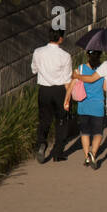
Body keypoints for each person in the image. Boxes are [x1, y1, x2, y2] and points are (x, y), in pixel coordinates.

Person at [31, 29, 74, 164]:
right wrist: (69, 98)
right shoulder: (65, 55)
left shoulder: (38, 52)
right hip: (60, 90)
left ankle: (42, 144)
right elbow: (68, 78)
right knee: (62, 120)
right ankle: (57, 152)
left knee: (44, 119)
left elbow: (34, 69)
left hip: (44, 90)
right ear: (61, 39)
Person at [66, 50, 106, 168]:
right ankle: (93, 153)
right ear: (100, 55)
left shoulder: (81, 68)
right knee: (98, 133)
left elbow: (72, 84)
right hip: (98, 105)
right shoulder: (103, 69)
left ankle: (86, 157)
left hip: (83, 106)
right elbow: (105, 87)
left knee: (85, 132)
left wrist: (67, 100)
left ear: (88, 55)